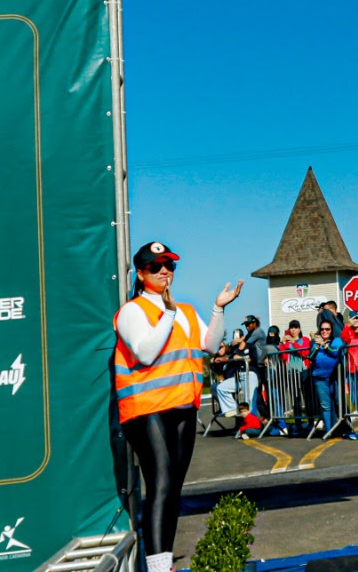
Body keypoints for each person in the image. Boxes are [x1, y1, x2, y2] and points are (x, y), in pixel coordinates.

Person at [113, 241, 243, 572]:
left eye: (169, 266)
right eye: (156, 267)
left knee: (173, 489)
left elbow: (210, 345)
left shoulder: (184, 310)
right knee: (160, 484)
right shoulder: (133, 311)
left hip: (183, 408)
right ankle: (156, 567)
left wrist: (218, 309)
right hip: (147, 409)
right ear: (142, 274)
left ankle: (163, 561)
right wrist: (168, 313)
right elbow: (145, 353)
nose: (165, 272)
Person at [309, 319, 345, 435]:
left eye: (327, 329)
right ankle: (329, 430)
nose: (324, 331)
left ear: (331, 330)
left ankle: (343, 428)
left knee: (338, 403)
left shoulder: (336, 341)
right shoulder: (316, 343)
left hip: (334, 377)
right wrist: (316, 346)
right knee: (325, 406)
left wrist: (324, 345)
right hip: (320, 378)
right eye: (322, 329)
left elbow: (336, 353)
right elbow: (310, 357)